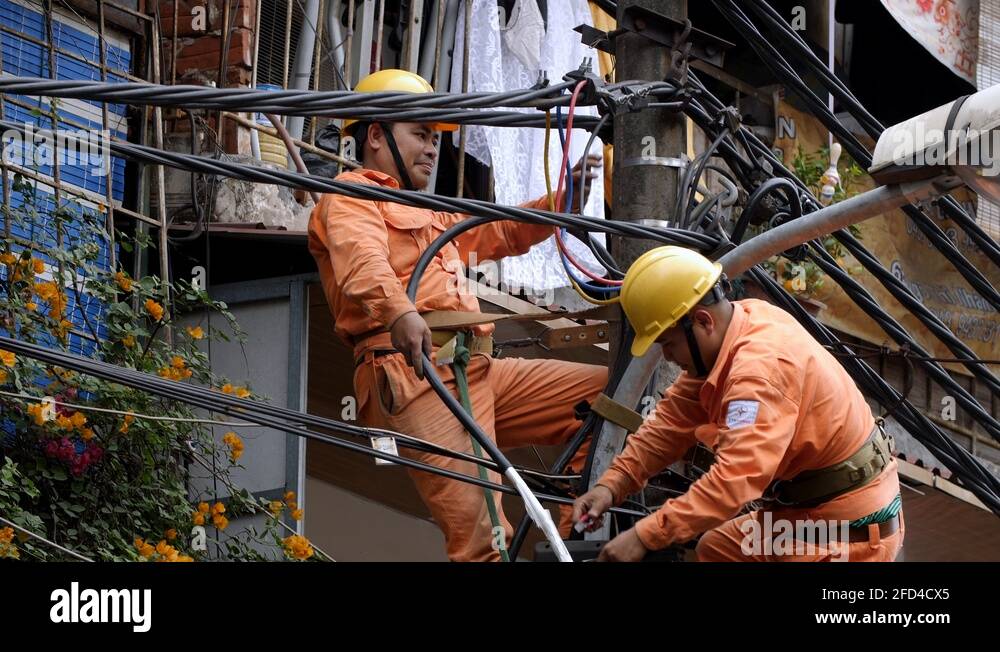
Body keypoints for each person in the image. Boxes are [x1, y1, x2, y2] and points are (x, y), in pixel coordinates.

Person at [308, 69, 607, 561]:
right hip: (416, 376)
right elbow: (363, 263)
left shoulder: (428, 213)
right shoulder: (350, 195)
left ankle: (578, 529)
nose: (432, 149)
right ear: (377, 134)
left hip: (477, 370)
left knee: (605, 400)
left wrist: (560, 204)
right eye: (421, 135)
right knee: (485, 537)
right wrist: (401, 311)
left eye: (435, 139)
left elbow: (499, 232)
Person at [572, 246, 904, 562]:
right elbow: (670, 424)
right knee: (719, 549)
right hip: (803, 511)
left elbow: (735, 481)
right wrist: (611, 486)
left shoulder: (759, 371)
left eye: (668, 343)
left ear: (703, 322)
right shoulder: (738, 326)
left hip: (846, 530)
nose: (667, 355)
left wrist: (645, 535)